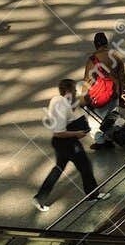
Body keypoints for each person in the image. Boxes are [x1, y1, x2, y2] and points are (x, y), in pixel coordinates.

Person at [35, 78, 98, 212]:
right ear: (68, 91)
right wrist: (77, 134)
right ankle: (93, 195)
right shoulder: (62, 106)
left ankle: (40, 197)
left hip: (60, 143)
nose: (76, 92)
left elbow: (69, 109)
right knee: (85, 166)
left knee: (58, 169)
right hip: (67, 143)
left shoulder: (57, 99)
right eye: (74, 90)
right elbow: (59, 133)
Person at [83, 32, 125, 149]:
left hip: (100, 97)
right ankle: (115, 137)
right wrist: (120, 93)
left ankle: (101, 142)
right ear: (106, 43)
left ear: (95, 44)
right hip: (114, 93)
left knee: (94, 120)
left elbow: (88, 80)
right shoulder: (116, 57)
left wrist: (85, 98)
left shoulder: (93, 60)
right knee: (112, 117)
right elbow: (122, 77)